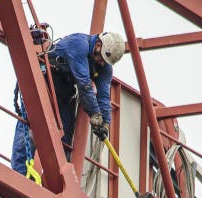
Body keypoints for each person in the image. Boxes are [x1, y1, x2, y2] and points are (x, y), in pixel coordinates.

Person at [11, 31, 126, 175]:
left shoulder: (105, 67)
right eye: (100, 58)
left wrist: (106, 123)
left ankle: (55, 186)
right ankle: (19, 174)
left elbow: (103, 97)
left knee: (64, 140)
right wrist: (95, 114)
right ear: (98, 44)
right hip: (47, 78)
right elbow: (84, 83)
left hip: (66, 90)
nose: (101, 63)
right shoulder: (79, 44)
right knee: (31, 128)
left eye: (104, 61)